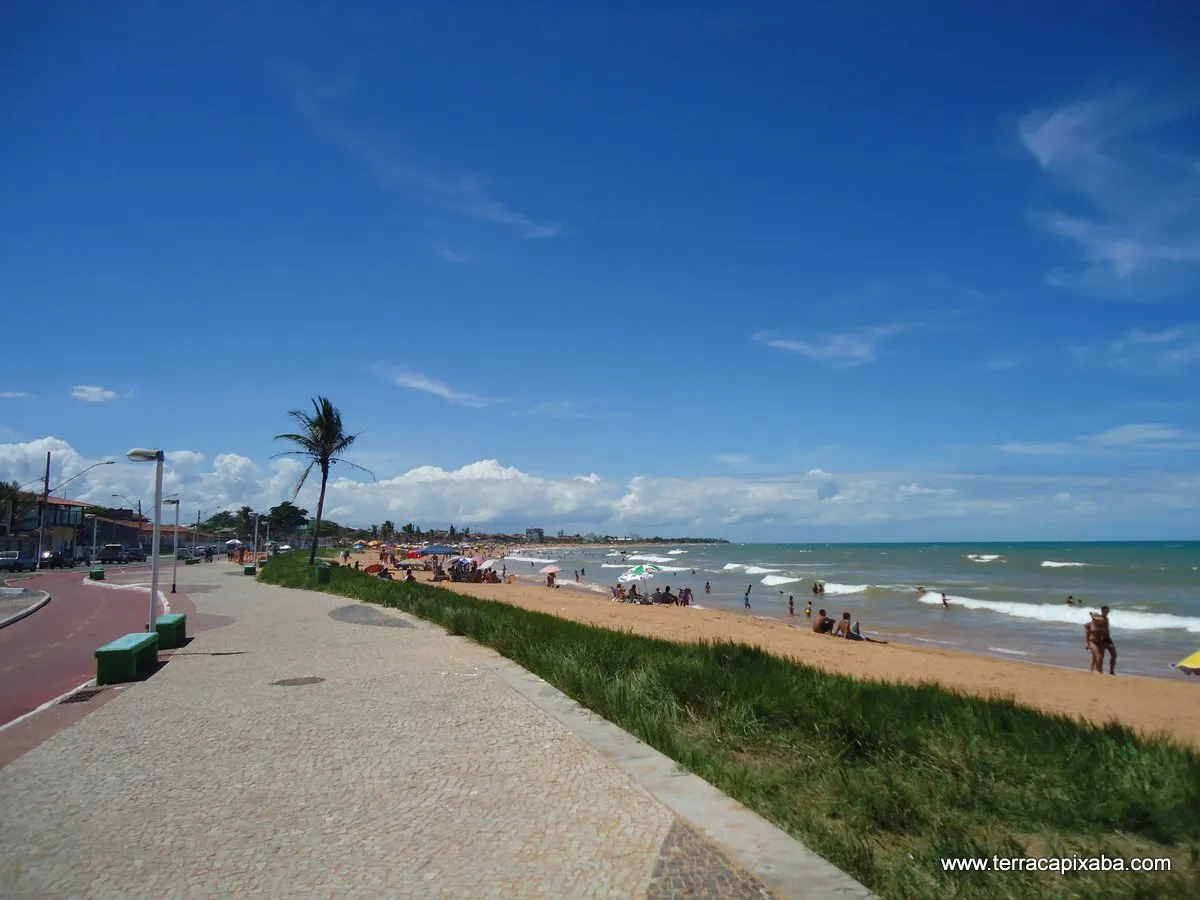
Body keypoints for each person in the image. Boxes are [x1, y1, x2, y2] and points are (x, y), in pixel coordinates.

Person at [1086, 606, 1117, 675]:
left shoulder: (1107, 619)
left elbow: (1106, 629)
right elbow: (1093, 629)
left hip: (1108, 639)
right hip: (1101, 639)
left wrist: (1107, 636)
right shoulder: (1099, 620)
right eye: (1106, 612)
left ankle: (1111, 671)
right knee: (1099, 656)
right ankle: (1097, 670)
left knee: (1114, 655)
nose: (1107, 613)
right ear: (1102, 611)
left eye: (1108, 612)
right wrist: (1088, 643)